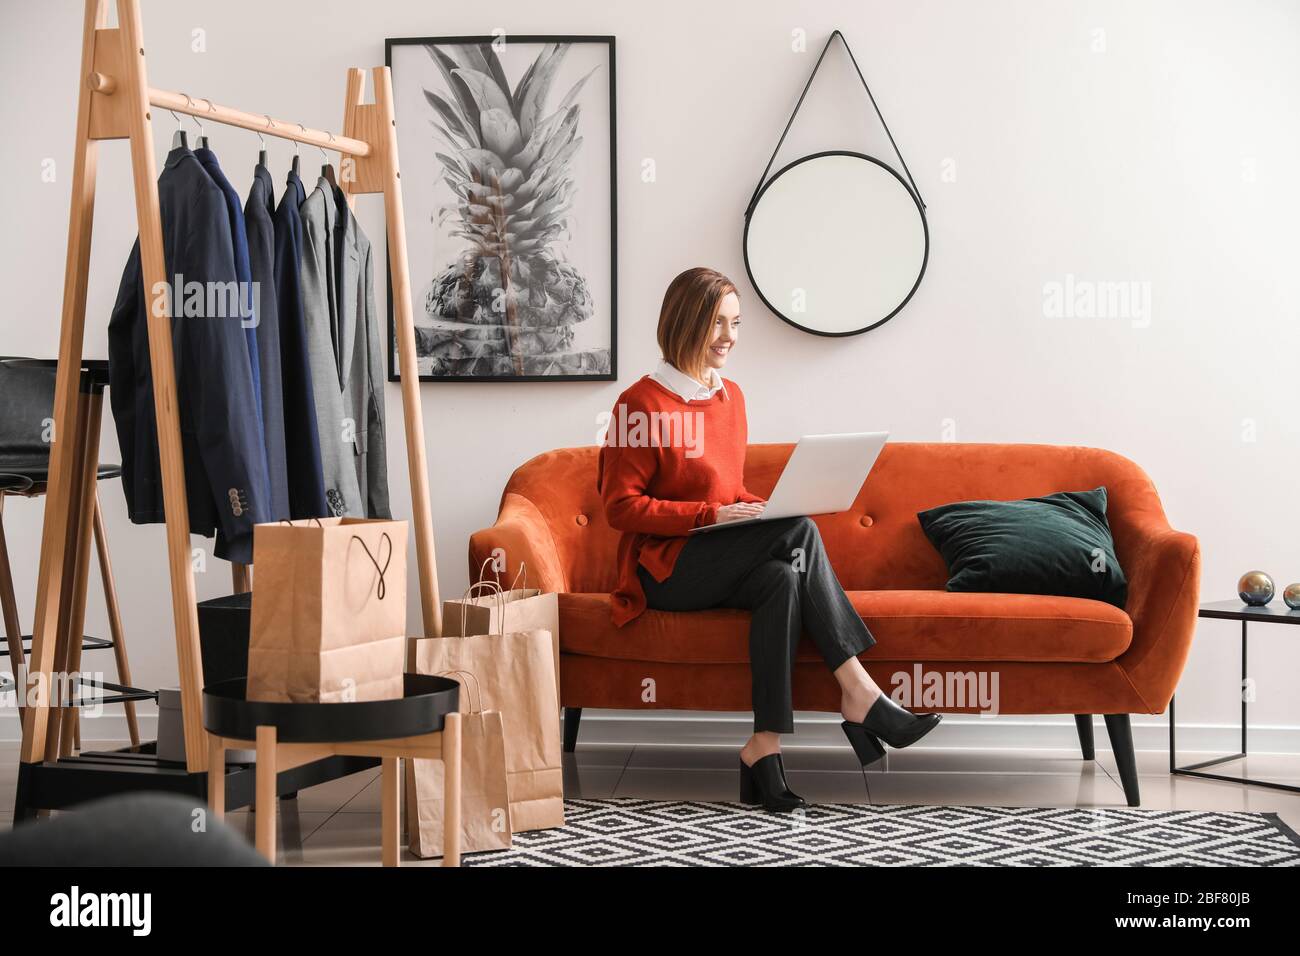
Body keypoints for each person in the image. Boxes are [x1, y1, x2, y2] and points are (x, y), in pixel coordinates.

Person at [597, 267, 941, 812]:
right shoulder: (639, 405)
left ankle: (764, 748)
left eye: (735, 323)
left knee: (782, 576)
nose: (730, 337)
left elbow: (727, 491)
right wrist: (718, 515)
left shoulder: (730, 396)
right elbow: (620, 508)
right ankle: (860, 691)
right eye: (716, 324)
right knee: (798, 533)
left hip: (716, 561)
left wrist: (765, 509)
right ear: (684, 322)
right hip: (663, 571)